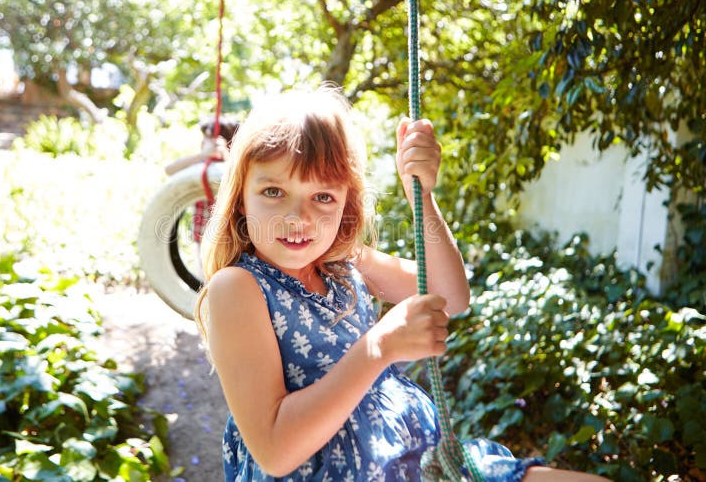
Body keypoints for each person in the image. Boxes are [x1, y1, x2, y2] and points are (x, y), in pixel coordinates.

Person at [195, 86, 609, 481]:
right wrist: (380, 347)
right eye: (273, 191)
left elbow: (450, 295)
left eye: (323, 197)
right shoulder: (239, 286)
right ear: (240, 199)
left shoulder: (341, 261)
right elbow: (275, 450)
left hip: (416, 460)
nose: (298, 218)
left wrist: (422, 196)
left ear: (346, 204)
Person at [164, 116, 238, 277]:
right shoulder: (199, 167)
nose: (204, 143)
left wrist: (225, 154)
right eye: (204, 139)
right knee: (204, 276)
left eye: (208, 139)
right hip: (202, 234)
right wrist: (202, 156)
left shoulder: (234, 165)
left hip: (229, 237)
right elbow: (169, 170)